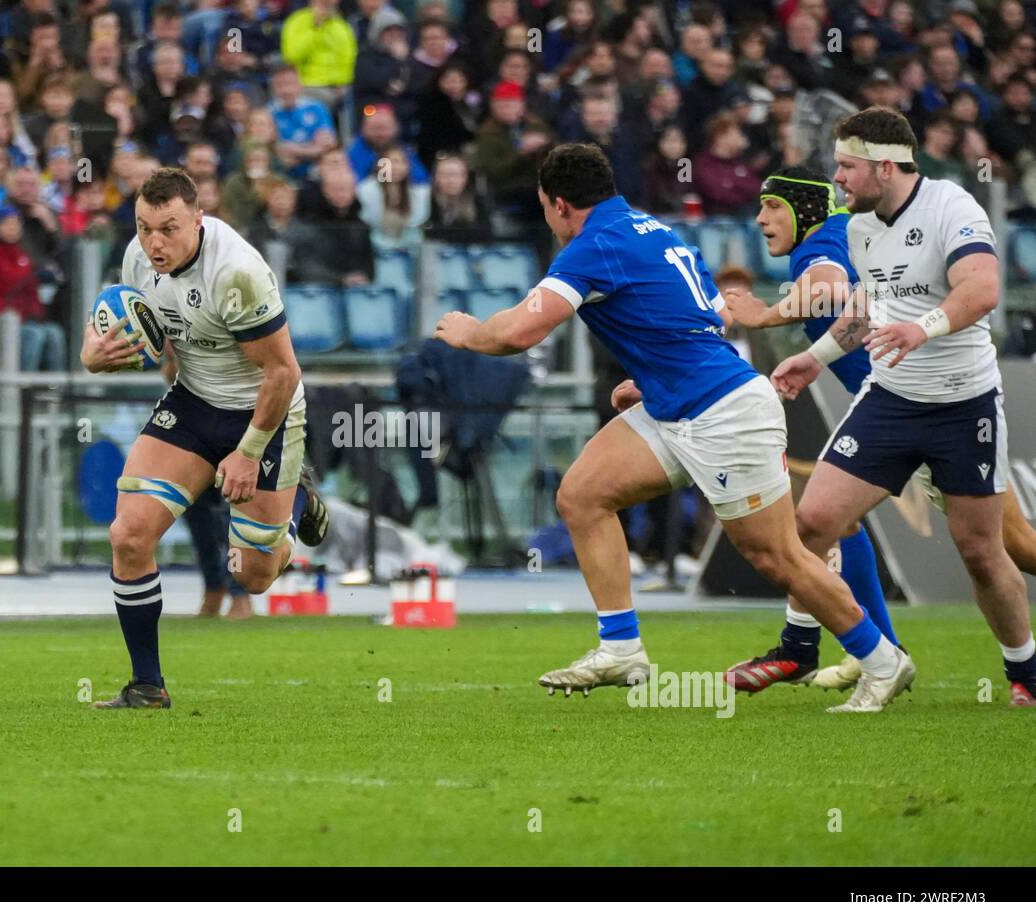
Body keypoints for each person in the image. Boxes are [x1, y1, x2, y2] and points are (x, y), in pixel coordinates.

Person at [433, 143, 902, 713]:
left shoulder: (594, 245)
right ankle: (621, 648)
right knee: (583, 496)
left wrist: (468, 332)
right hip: (676, 403)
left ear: (558, 205)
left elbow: (518, 333)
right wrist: (652, 379)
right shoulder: (650, 226)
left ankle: (882, 661)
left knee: (777, 556)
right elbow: (699, 318)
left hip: (723, 410)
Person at [771, 107, 1036, 708]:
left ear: (885, 166)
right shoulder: (862, 228)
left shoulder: (952, 206)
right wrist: (813, 357)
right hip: (890, 399)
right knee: (813, 523)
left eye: (847, 166)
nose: (837, 179)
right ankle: (810, 647)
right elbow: (864, 310)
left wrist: (924, 328)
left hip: (963, 402)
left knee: (983, 552)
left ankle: (1027, 670)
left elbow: (983, 289)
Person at [79, 167, 330, 709]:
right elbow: (113, 316)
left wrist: (247, 452)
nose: (155, 243)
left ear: (199, 217)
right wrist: (93, 354)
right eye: (145, 228)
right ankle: (147, 685)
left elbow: (282, 373)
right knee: (128, 534)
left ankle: (297, 502)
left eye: (168, 228)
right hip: (192, 402)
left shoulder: (236, 271)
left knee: (255, 574)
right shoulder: (138, 256)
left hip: (264, 410)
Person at [720, 166, 904, 691]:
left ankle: (830, 649)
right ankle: (880, 651)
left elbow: (827, 290)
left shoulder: (818, 244)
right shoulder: (839, 232)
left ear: (804, 209)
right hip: (892, 401)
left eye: (773, 207)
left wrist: (761, 316)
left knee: (997, 545)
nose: (760, 219)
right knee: (829, 520)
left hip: (915, 405)